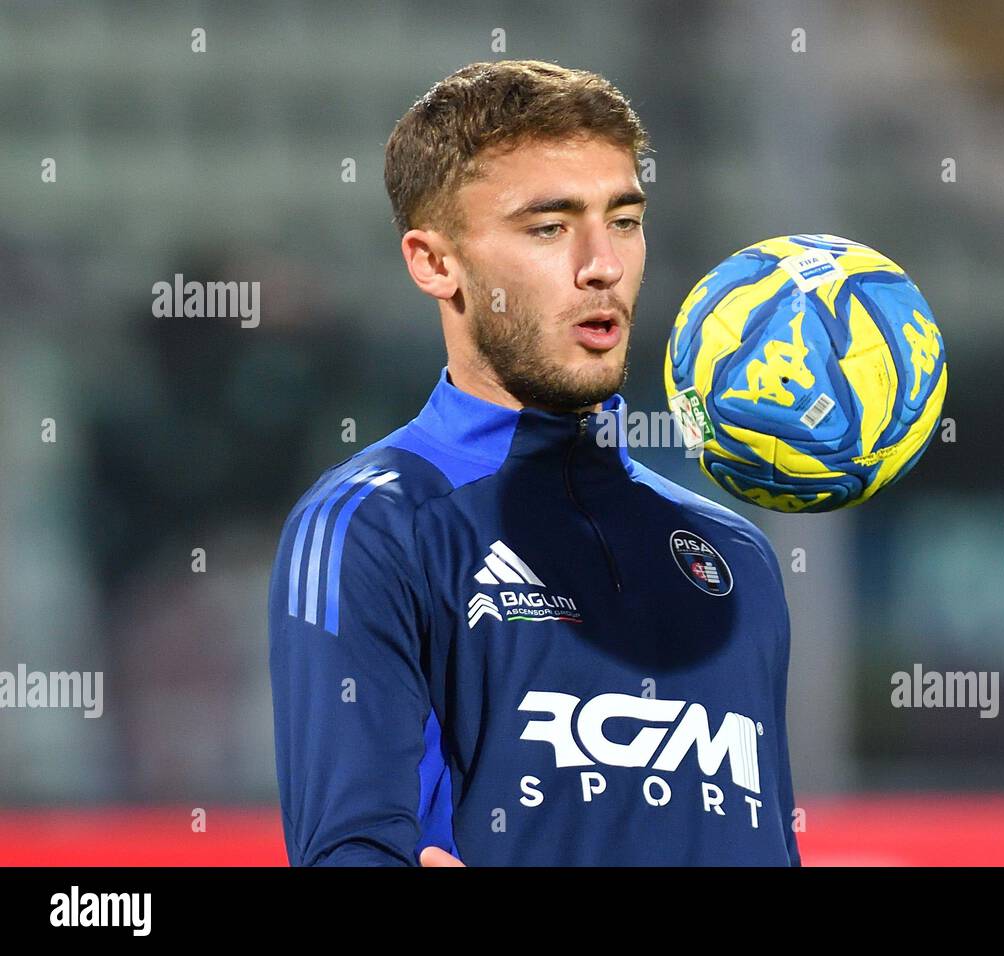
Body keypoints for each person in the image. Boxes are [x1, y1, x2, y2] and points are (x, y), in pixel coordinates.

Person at [268, 59, 800, 866]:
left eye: (623, 220)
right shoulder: (373, 526)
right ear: (434, 262)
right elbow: (350, 851)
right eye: (550, 227)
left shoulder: (735, 555)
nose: (603, 265)